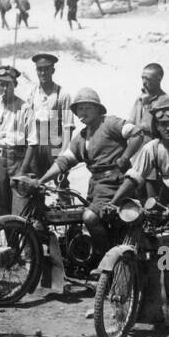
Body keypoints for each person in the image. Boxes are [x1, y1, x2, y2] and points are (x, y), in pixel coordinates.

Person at [34, 87, 146, 251]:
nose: (83, 112)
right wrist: (41, 180)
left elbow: (137, 134)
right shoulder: (81, 137)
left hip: (117, 186)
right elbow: (63, 161)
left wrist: (125, 157)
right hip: (96, 190)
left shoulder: (109, 123)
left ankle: (105, 258)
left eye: (87, 107)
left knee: (90, 217)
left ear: (97, 109)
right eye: (80, 108)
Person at [111, 95, 169, 214]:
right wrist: (113, 203)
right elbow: (133, 178)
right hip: (166, 203)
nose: (168, 128)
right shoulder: (152, 148)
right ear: (156, 126)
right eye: (163, 124)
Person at [20, 53, 76, 184]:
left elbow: (68, 126)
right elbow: (26, 122)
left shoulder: (63, 94)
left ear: (53, 70)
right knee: (34, 179)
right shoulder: (31, 93)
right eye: (40, 69)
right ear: (36, 71)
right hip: (36, 142)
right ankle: (38, 205)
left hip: (54, 141)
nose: (43, 73)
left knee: (60, 179)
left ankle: (64, 202)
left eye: (46, 69)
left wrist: (64, 151)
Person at [0, 65, 30, 216]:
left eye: (8, 84)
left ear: (14, 85)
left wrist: (23, 171)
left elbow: (33, 143)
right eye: (1, 84)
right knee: (1, 211)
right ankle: (9, 241)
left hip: (18, 161)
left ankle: (21, 239)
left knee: (20, 210)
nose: (4, 88)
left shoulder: (25, 108)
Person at [128, 63, 166, 132]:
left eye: (148, 79)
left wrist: (147, 106)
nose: (144, 82)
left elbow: (151, 128)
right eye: (143, 78)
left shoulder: (166, 101)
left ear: (159, 79)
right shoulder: (140, 98)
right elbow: (131, 121)